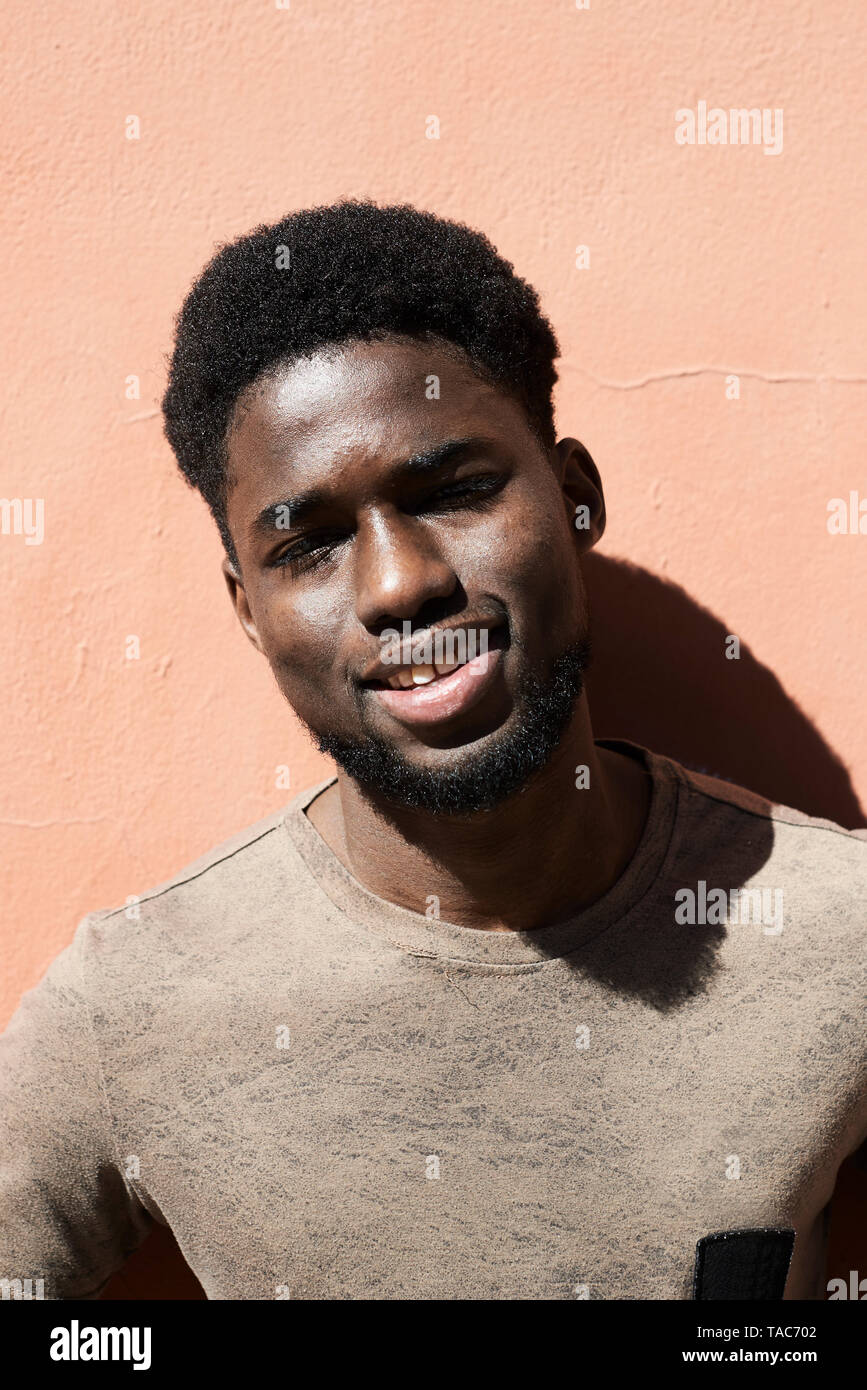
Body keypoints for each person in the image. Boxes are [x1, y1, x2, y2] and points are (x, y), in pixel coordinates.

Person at [1, 199, 864, 1301]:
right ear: (248, 610)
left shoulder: (839, 935)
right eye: (308, 544)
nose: (401, 583)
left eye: (455, 490)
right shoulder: (131, 1005)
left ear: (576, 497)